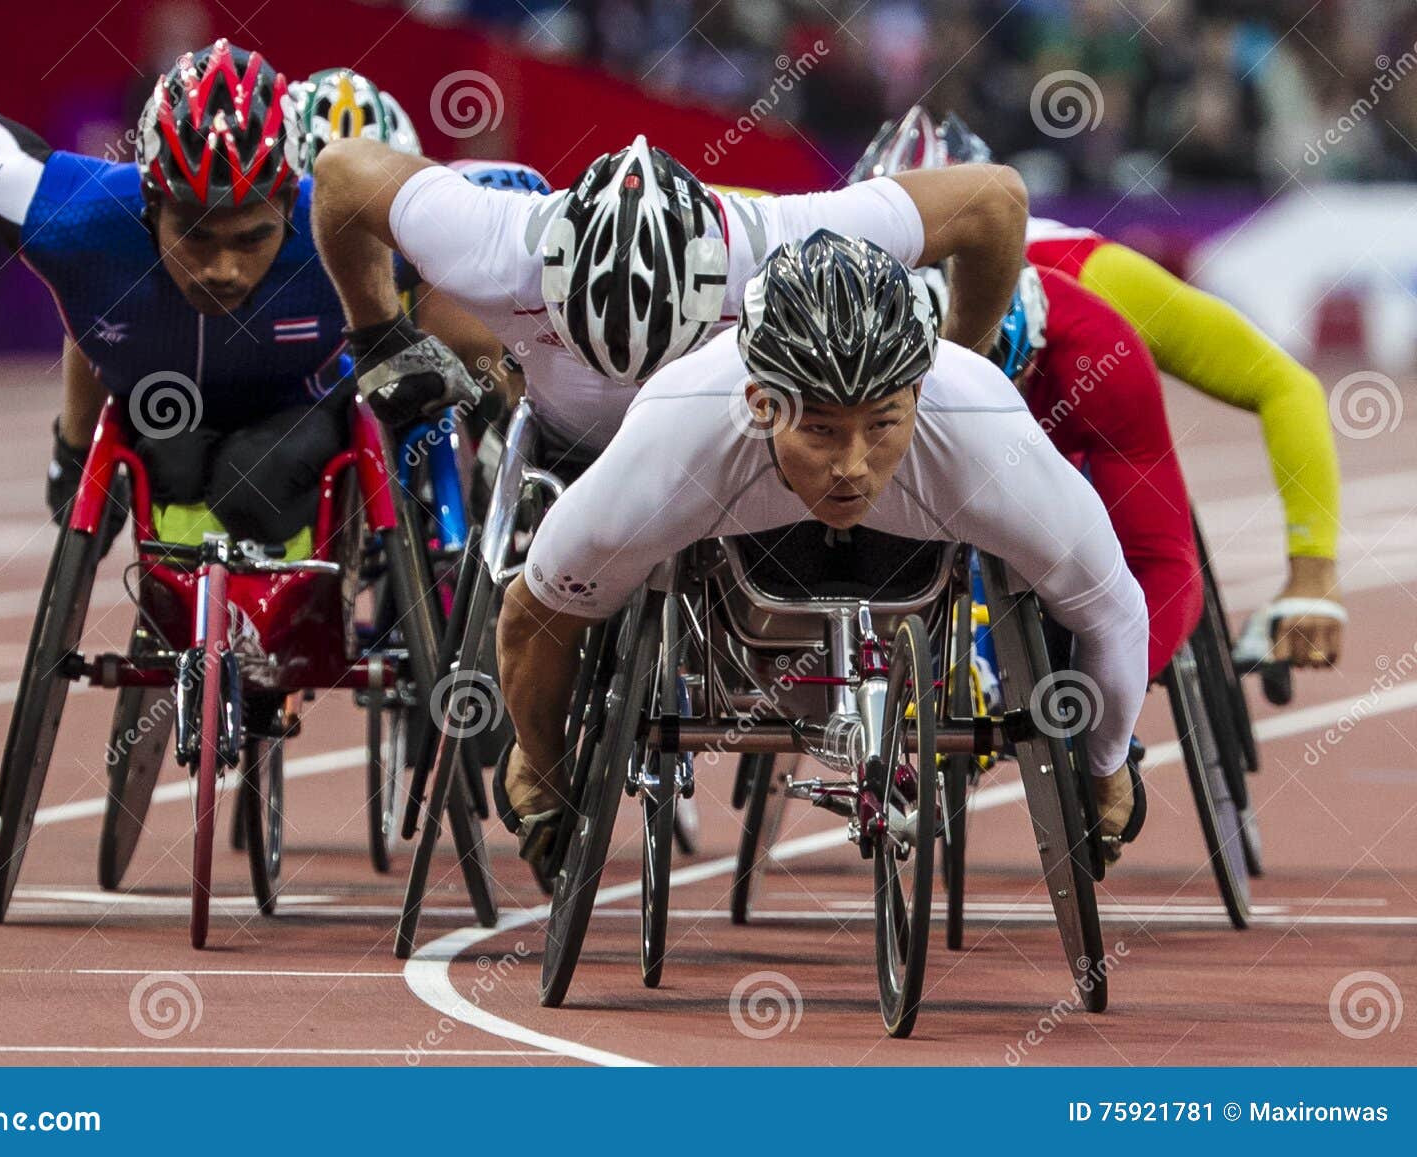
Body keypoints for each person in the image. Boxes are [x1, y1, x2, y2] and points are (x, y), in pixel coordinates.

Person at [492, 233, 1149, 880]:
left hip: (915, 527)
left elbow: (1112, 612)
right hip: (748, 528)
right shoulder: (678, 431)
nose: (853, 466)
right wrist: (541, 762)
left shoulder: (984, 431)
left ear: (919, 396)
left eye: (882, 424)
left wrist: (1104, 767)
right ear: (760, 403)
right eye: (822, 429)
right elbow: (533, 616)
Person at [0, 42, 475, 549]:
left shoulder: (342, 226)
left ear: (289, 207)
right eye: (195, 234)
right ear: (150, 207)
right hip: (161, 414)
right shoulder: (77, 221)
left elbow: (490, 219)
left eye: (253, 237)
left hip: (294, 413)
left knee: (253, 484)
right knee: (175, 462)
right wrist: (72, 451)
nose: (222, 269)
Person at [308, 131, 1031, 456]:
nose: (626, 373)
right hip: (561, 451)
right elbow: (339, 170)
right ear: (551, 272)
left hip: (721, 448)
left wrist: (951, 361)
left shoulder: (781, 241)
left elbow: (996, 201)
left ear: (719, 277)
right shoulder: (504, 240)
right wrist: (379, 335)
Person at [933, 109, 1347, 670]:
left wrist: (1312, 577)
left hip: (1070, 427)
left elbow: (1286, 386)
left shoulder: (1099, 279)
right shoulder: (838, 275)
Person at [982, 263, 1202, 681]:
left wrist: (1108, 695)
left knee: (1081, 535)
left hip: (1076, 391)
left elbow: (1165, 564)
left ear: (1033, 362)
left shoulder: (1101, 359)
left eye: (1013, 388)